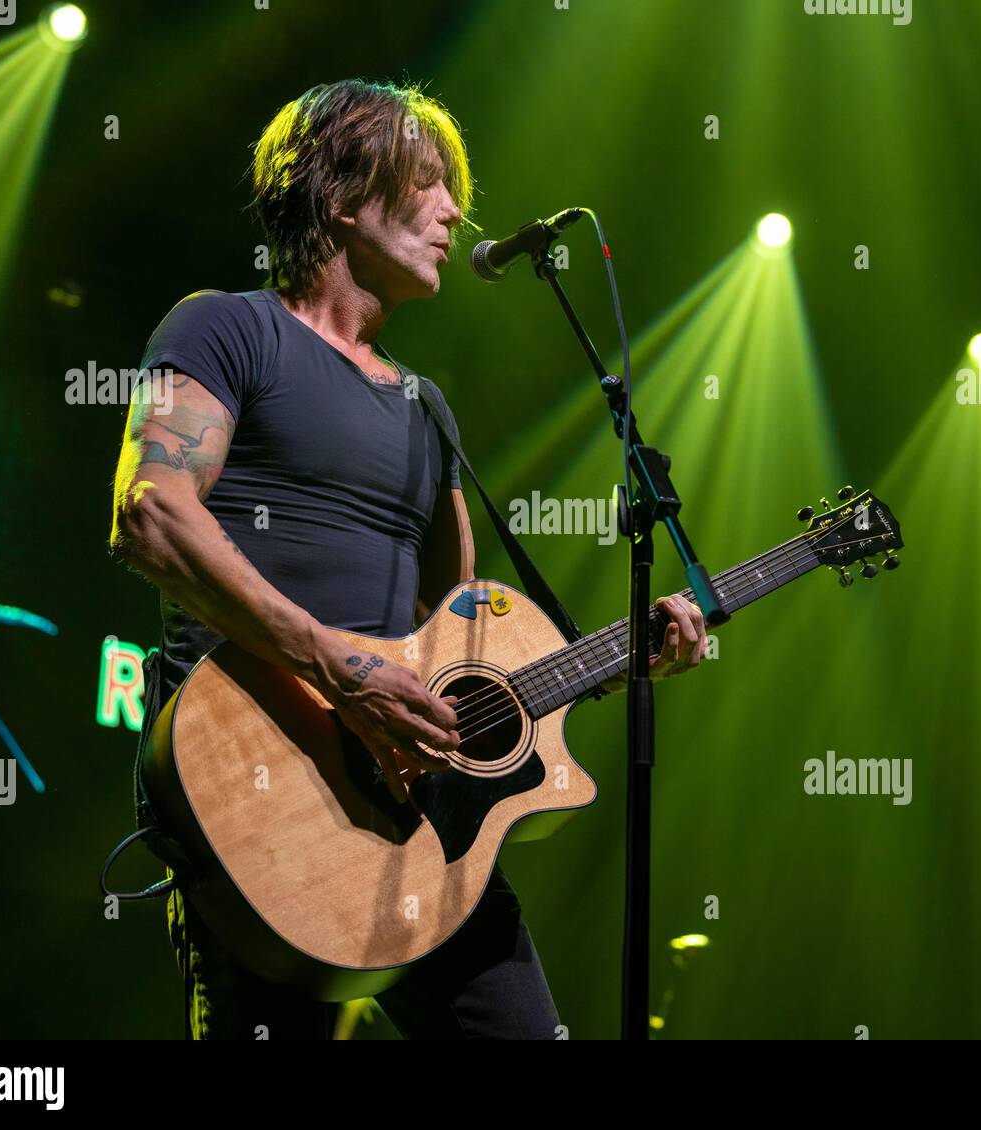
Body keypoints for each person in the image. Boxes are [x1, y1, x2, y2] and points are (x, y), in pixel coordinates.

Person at [109, 78, 707, 1040]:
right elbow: (154, 515)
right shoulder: (225, 326)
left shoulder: (426, 408)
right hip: (254, 786)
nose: (455, 211)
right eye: (428, 182)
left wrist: (622, 652)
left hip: (416, 823)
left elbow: (459, 641)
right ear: (344, 196)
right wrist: (340, 671)